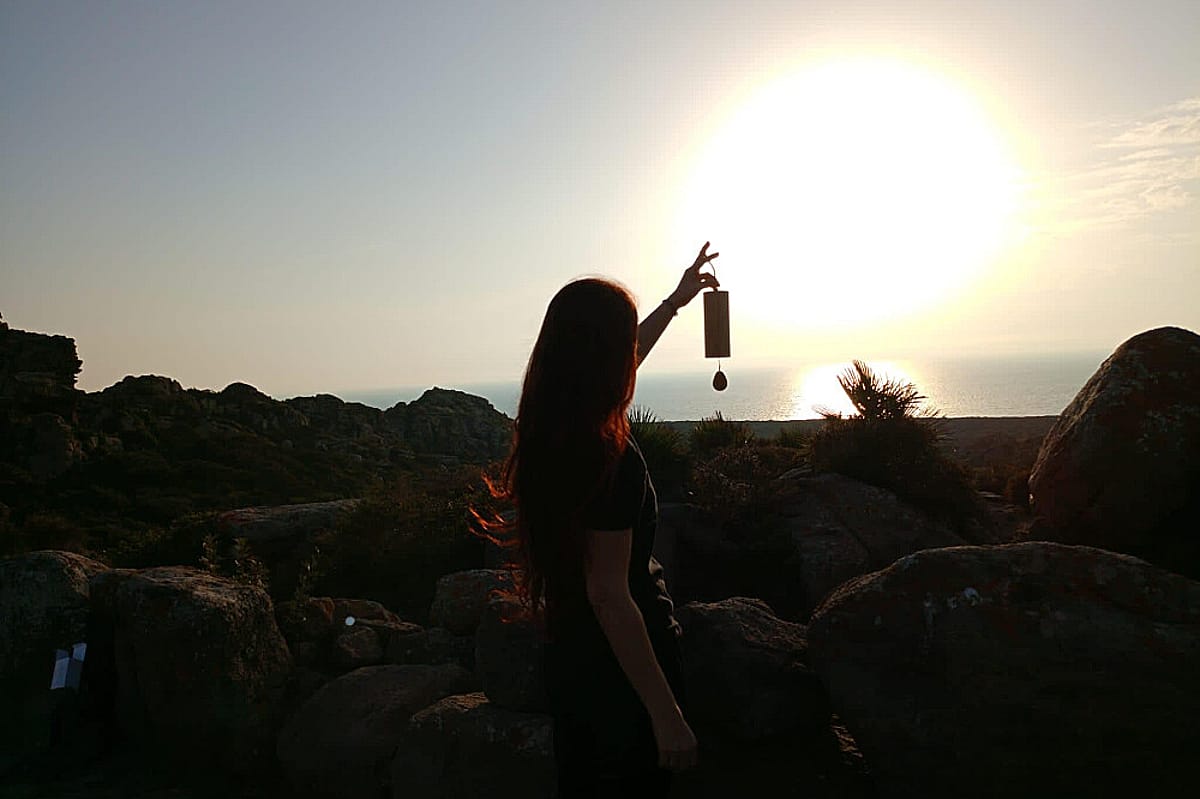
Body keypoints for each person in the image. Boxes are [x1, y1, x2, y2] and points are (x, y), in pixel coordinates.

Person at [478, 243, 720, 797]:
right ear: (605, 356)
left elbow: (624, 357)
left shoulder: (552, 427)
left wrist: (676, 302)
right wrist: (666, 714)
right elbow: (610, 596)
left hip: (573, 661)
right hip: (622, 677)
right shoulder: (607, 455)